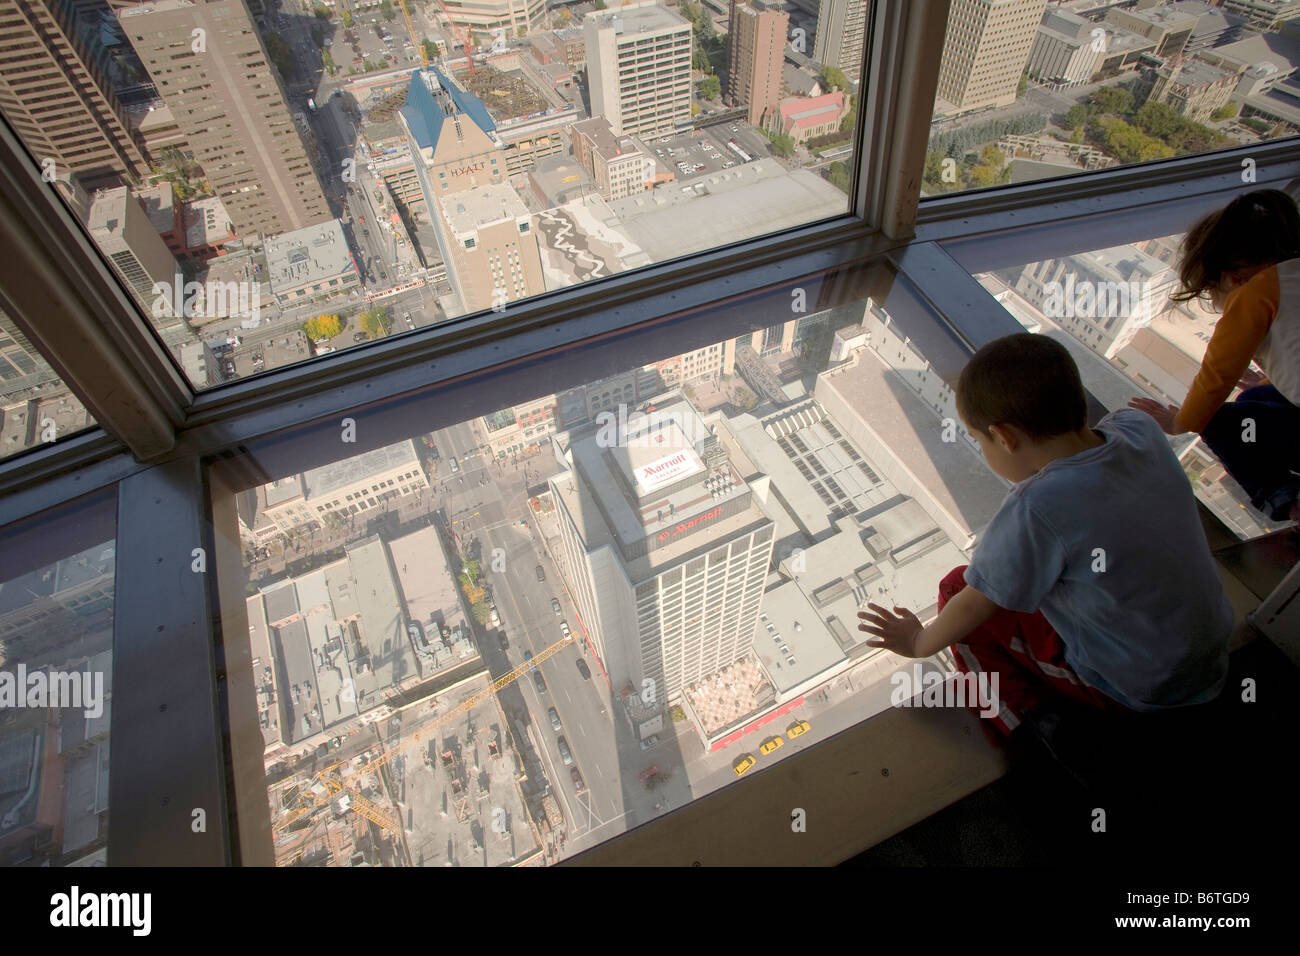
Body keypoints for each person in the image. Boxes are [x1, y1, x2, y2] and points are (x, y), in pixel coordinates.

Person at [859, 334, 1233, 740]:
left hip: (1144, 687)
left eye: (980, 439)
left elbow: (972, 608)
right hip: (1211, 651)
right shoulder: (1138, 428)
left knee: (955, 590)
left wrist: (917, 642)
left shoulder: (1037, 507)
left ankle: (1028, 728)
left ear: (1004, 436)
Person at [1129, 189, 1300, 524]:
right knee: (1256, 395)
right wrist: (1270, 378)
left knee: (1218, 422)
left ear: (1232, 275)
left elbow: (1216, 374)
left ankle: (1288, 501)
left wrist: (1180, 423)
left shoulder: (1255, 292)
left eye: (1210, 292)